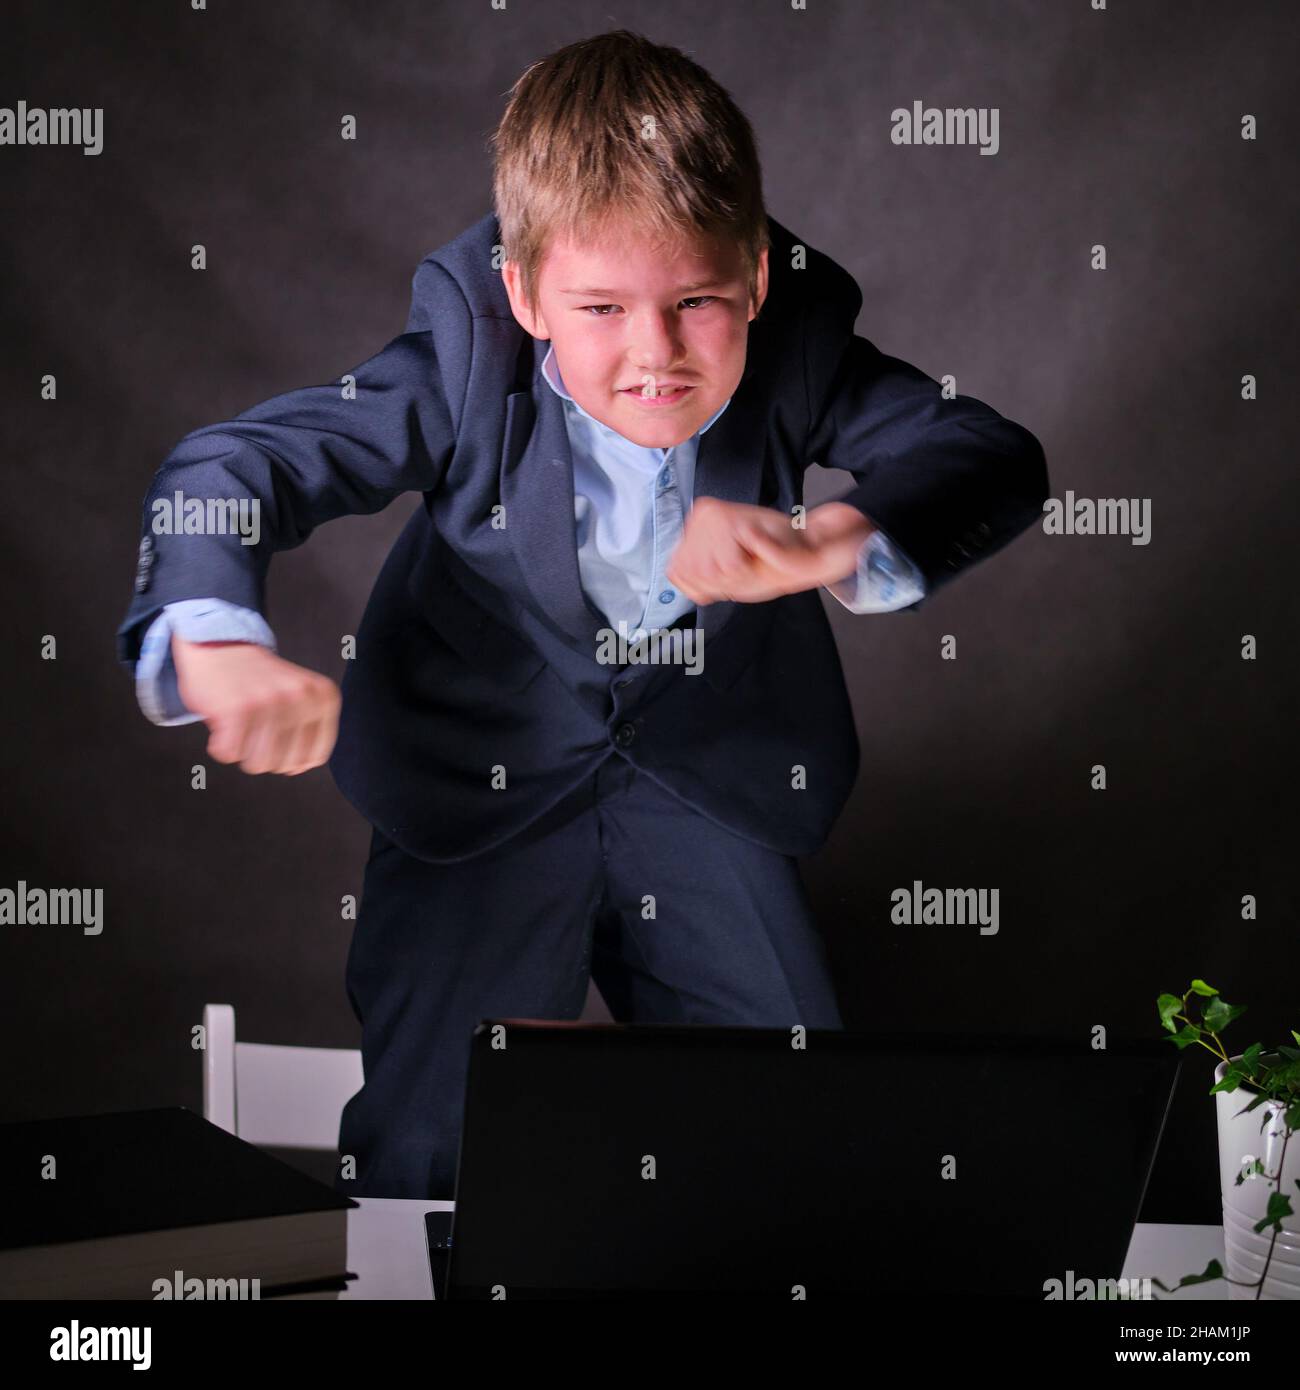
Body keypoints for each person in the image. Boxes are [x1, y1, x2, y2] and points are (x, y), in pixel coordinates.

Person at [115, 30, 1049, 1198]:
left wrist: (827, 540)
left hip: (709, 778)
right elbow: (232, 468)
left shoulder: (800, 345)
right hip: (478, 787)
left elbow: (988, 455)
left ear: (755, 273)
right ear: (523, 290)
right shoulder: (462, 354)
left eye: (699, 301)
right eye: (600, 306)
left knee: (802, 1139)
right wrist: (212, 638)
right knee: (429, 1147)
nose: (652, 355)